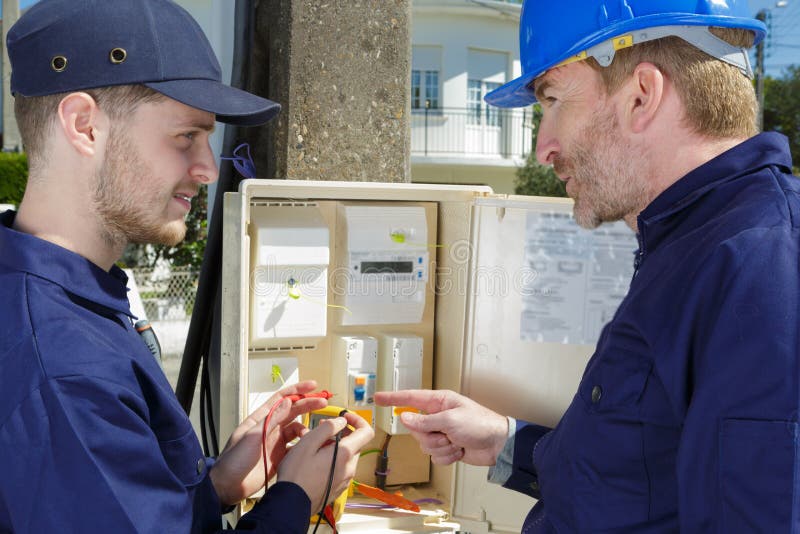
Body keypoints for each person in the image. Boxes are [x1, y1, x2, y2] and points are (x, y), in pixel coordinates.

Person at [376, 0, 800, 531]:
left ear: (641, 97)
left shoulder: (765, 265)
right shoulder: (696, 244)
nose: (542, 148)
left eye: (553, 100)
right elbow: (646, 476)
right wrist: (503, 441)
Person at [0, 0, 373, 532]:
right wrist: (295, 497)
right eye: (185, 137)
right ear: (84, 125)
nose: (205, 168)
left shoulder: (59, 302)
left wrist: (214, 485)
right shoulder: (63, 368)